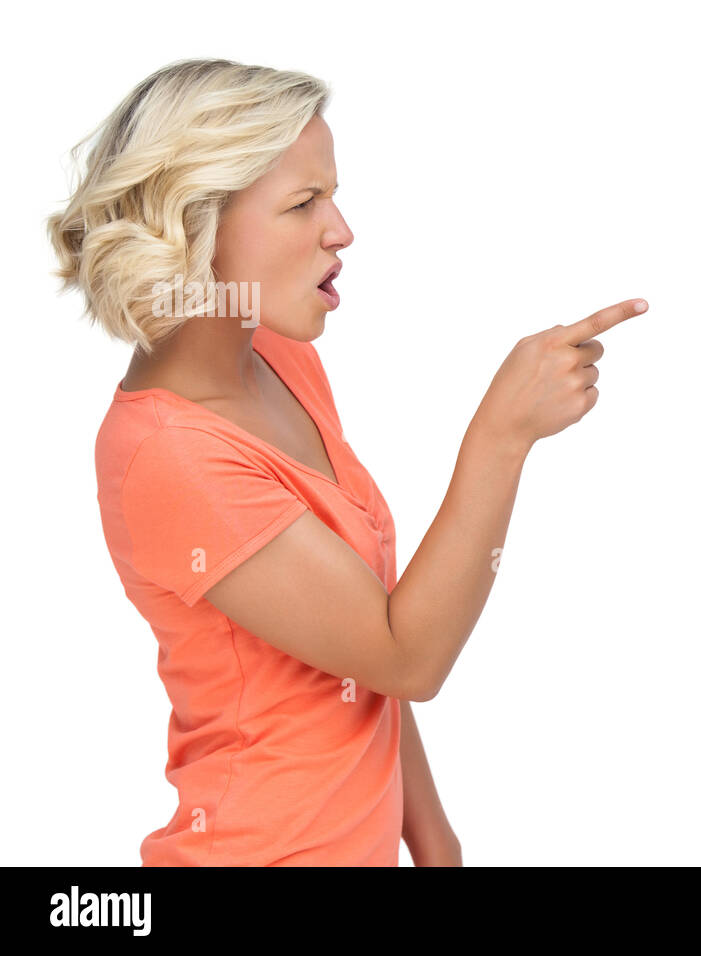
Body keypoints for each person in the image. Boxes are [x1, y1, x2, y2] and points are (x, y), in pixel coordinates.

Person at [48, 58, 647, 866]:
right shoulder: (170, 456)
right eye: (303, 203)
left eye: (331, 195)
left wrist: (435, 843)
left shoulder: (281, 361)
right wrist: (502, 436)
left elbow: (362, 650)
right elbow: (407, 655)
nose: (341, 229)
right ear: (194, 224)